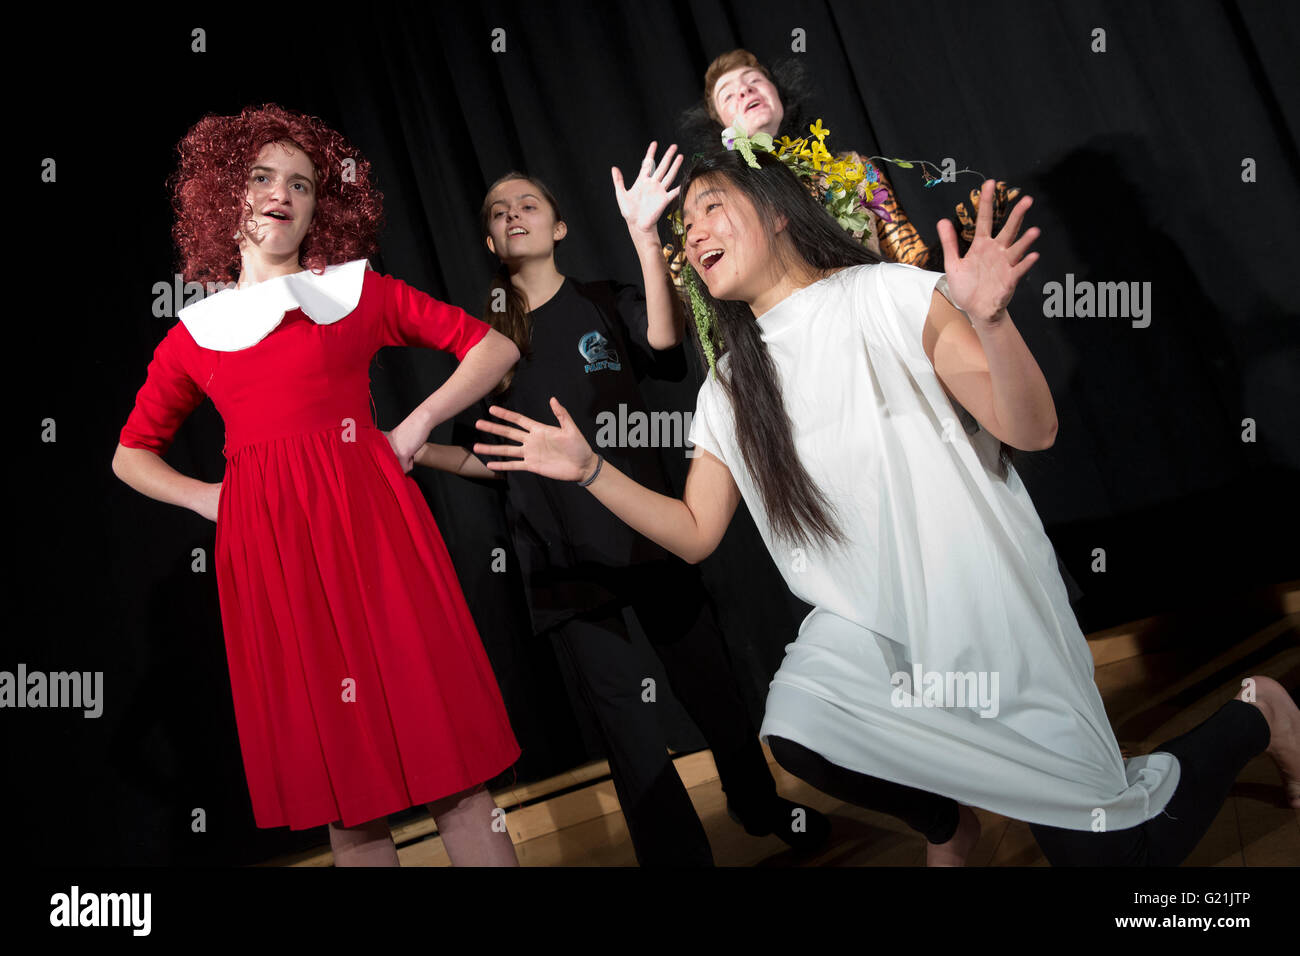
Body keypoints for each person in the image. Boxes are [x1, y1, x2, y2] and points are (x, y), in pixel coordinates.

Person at [471, 148, 1300, 865]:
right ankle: (949, 823)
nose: (694, 234)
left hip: (992, 621)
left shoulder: (886, 295)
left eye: (711, 207)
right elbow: (693, 536)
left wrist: (994, 321)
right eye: (685, 227)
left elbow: (1033, 429)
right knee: (799, 724)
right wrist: (589, 473)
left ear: (779, 213)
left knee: (1124, 858)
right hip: (873, 636)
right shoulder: (730, 383)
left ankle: (1258, 712)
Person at [112, 104, 523, 866]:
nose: (282, 193)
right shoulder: (193, 338)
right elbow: (129, 454)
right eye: (262, 177)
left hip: (376, 542)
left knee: (459, 783)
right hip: (275, 565)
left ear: (319, 207)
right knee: (350, 810)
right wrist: (209, 499)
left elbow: (492, 347)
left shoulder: (356, 295)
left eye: (301, 183)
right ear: (224, 194)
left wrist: (413, 428)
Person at [413, 148, 830, 865]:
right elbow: (485, 455)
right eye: (499, 213)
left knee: (716, 698)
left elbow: (665, 344)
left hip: (647, 536)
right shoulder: (483, 346)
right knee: (632, 740)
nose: (514, 215)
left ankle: (759, 807)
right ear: (489, 243)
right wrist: (410, 448)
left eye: (528, 205)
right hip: (563, 566)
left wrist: (644, 235)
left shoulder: (604, 300)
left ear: (561, 227)